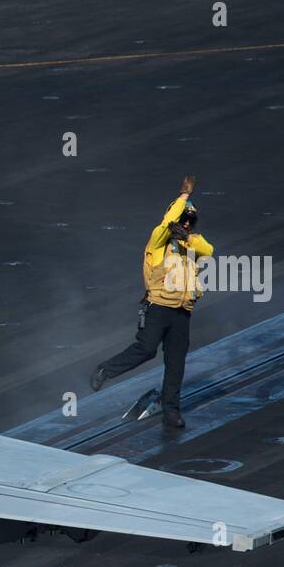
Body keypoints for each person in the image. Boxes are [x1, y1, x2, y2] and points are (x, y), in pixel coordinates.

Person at [89, 175, 214, 428]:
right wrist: (183, 197)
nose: (186, 225)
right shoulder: (158, 242)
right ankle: (105, 370)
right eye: (183, 221)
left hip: (182, 311)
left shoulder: (191, 246)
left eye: (190, 222)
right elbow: (167, 222)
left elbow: (209, 250)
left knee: (176, 362)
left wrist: (187, 238)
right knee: (146, 349)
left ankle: (171, 411)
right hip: (158, 306)